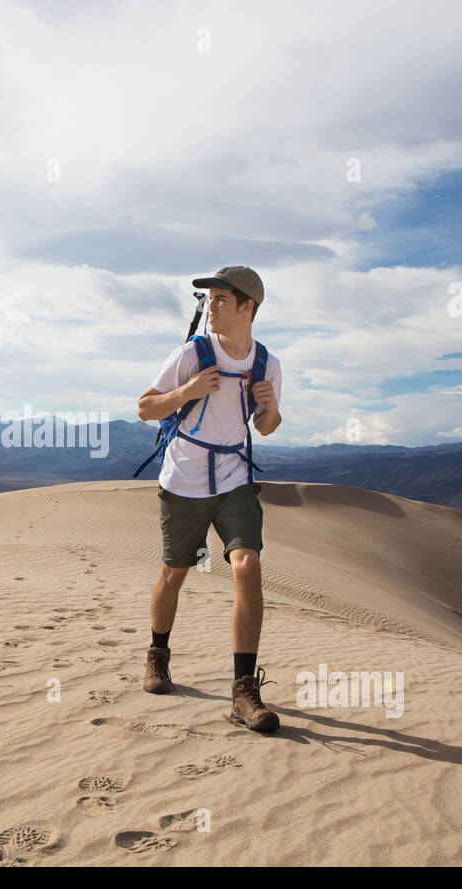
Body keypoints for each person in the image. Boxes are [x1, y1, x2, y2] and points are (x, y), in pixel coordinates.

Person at [135, 266, 283, 731]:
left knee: (248, 565)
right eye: (209, 299)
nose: (210, 306)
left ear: (248, 308)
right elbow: (144, 407)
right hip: (184, 482)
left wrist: (272, 407)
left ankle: (244, 691)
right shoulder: (192, 355)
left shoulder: (267, 364)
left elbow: (266, 426)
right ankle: (157, 653)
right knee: (173, 574)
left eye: (220, 298)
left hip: (236, 480)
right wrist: (187, 391)